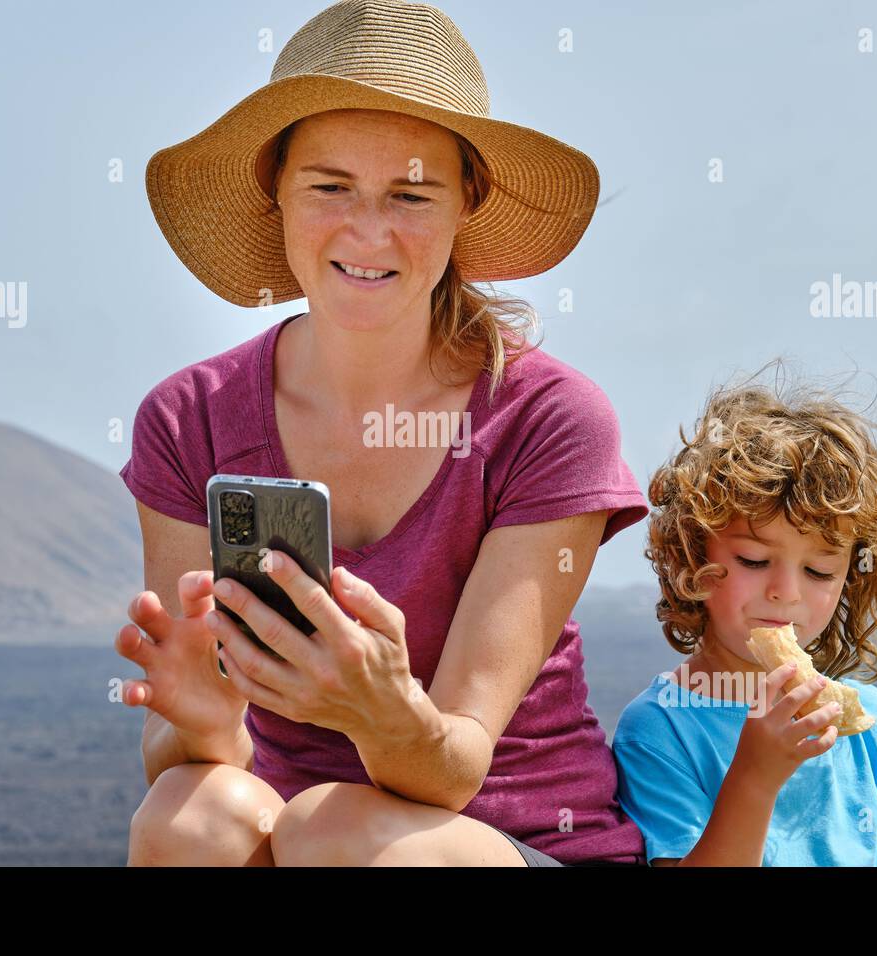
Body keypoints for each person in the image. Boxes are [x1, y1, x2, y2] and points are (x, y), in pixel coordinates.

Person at [115, 0, 647, 866]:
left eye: (410, 193)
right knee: (188, 813)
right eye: (330, 186)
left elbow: (455, 766)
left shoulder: (549, 419)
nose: (368, 231)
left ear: (466, 204)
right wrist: (206, 724)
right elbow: (182, 764)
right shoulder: (188, 419)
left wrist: (383, 711)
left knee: (338, 826)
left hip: (517, 843)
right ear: (275, 192)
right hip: (305, 840)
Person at [612, 366, 877, 865]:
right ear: (691, 556)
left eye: (820, 571)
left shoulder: (872, 725)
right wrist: (755, 777)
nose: (785, 593)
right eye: (754, 561)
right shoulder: (660, 730)